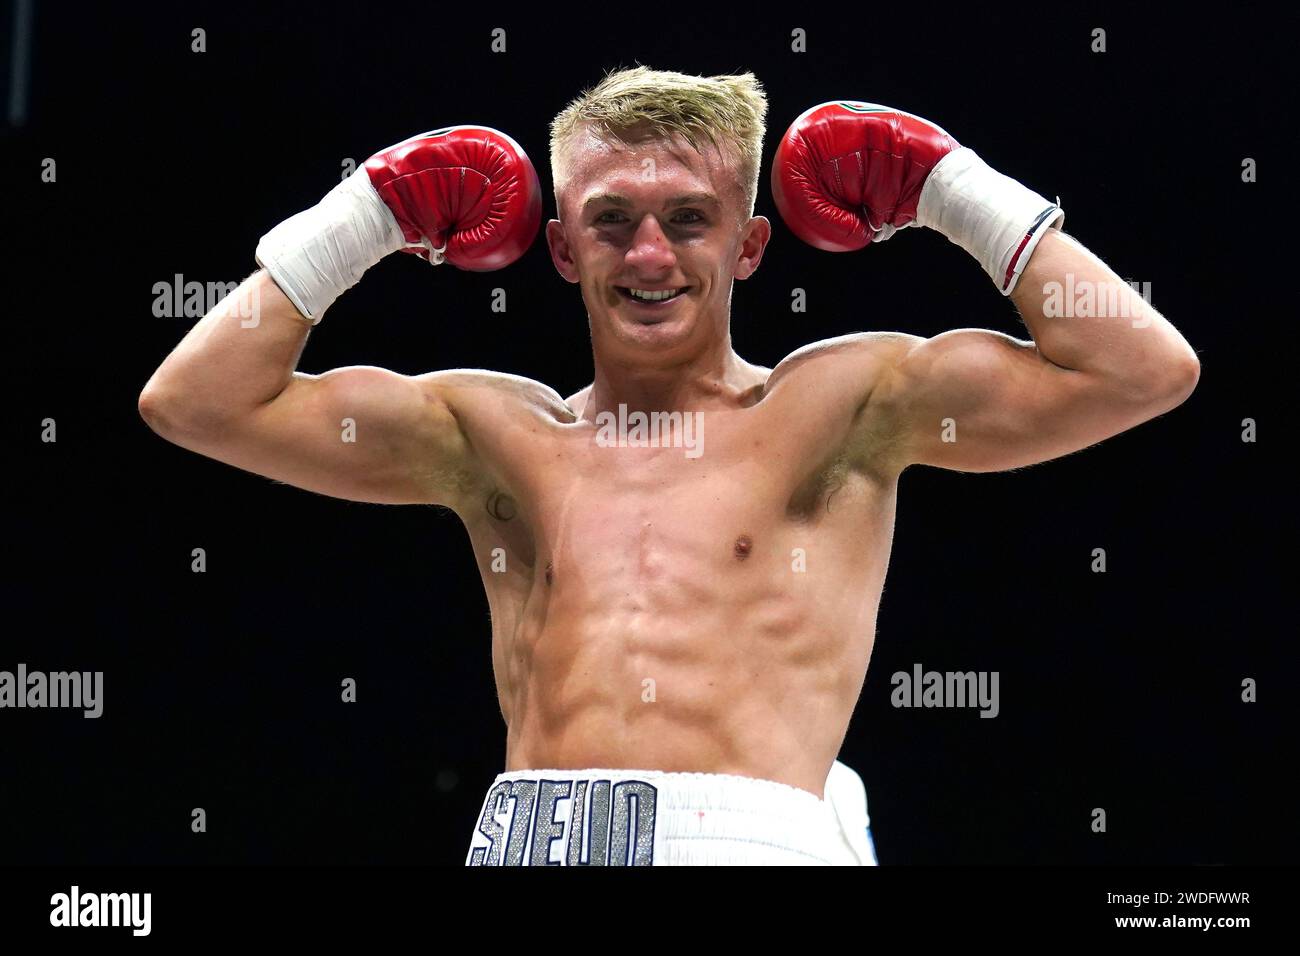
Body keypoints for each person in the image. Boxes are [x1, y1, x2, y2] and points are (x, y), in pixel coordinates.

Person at [138, 67, 1199, 865]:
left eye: (689, 220)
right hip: (529, 840)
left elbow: (1140, 370)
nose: (650, 256)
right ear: (561, 248)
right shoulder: (493, 430)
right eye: (612, 222)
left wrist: (944, 184)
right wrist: (365, 214)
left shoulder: (842, 404)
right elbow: (195, 402)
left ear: (746, 246)